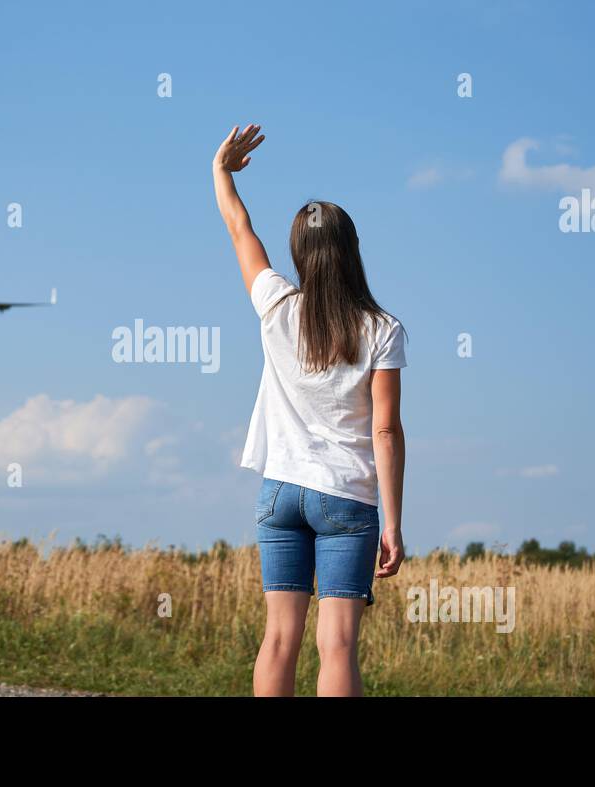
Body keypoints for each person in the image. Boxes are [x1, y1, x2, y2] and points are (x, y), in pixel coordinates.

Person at [212, 125, 407, 697]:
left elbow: (238, 228)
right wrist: (392, 524)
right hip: (348, 495)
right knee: (337, 645)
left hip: (280, 493)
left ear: (299, 253)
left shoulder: (275, 304)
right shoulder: (382, 329)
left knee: (278, 639)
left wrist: (221, 170)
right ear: (351, 251)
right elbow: (386, 429)